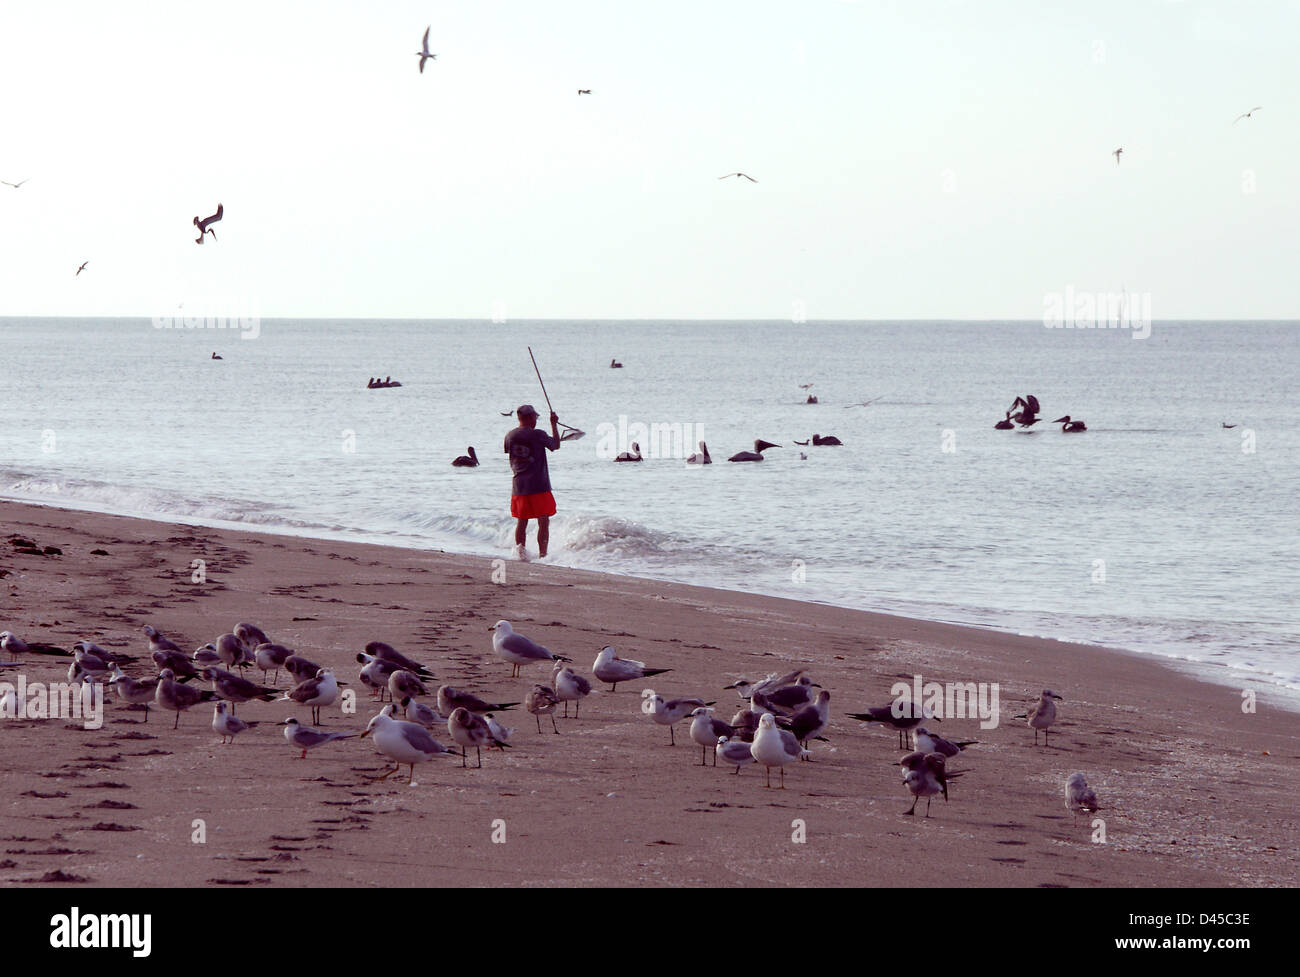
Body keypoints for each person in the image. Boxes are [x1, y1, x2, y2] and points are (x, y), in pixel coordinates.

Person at [504, 404, 561, 560]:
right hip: (538, 485)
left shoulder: (509, 435)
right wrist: (554, 424)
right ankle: (543, 555)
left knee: (522, 522)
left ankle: (520, 553)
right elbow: (555, 445)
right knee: (543, 520)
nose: (536, 419)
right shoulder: (538, 434)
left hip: (519, 486)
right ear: (529, 418)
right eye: (535, 417)